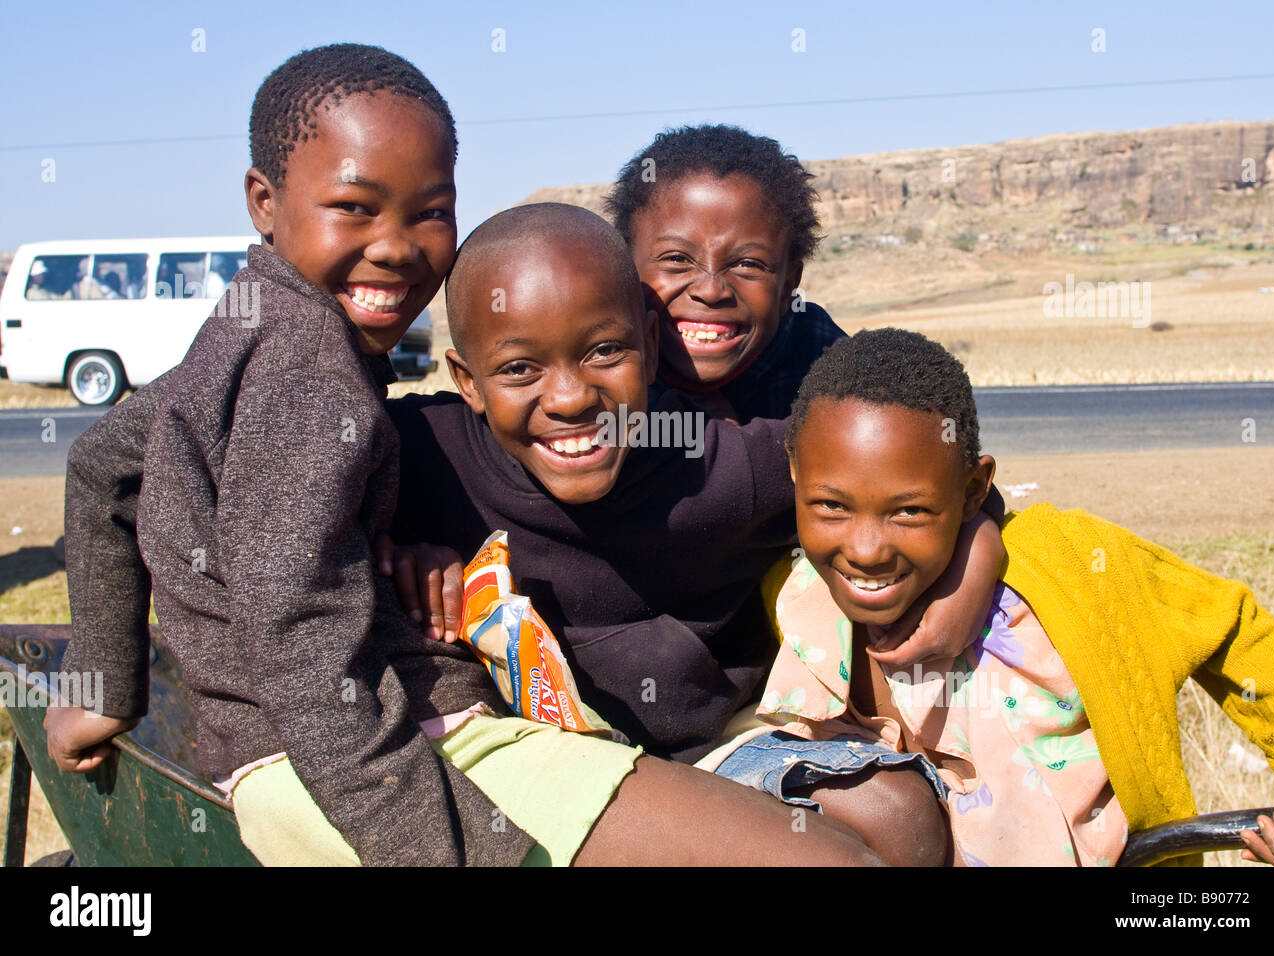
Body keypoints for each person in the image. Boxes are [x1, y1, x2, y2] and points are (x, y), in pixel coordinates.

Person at [44, 45, 899, 868]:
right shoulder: (313, 373)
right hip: (381, 753)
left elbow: (101, 466)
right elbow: (299, 638)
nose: (394, 245)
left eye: (428, 212)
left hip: (361, 731)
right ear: (264, 203)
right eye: (354, 208)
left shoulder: (245, 326)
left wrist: (102, 684)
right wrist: (439, 846)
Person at [385, 202, 1012, 863]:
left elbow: (930, 481)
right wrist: (401, 551)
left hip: (715, 753)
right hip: (550, 775)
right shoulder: (423, 457)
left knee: (897, 810)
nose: (570, 397)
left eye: (604, 351)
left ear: (652, 346)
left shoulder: (718, 466)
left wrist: (975, 570)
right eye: (519, 369)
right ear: (467, 381)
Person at [722, 327, 1274, 866]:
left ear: (974, 490)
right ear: (795, 475)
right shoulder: (798, 596)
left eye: (910, 511)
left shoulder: (1076, 570)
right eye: (832, 506)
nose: (868, 549)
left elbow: (1232, 627)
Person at [605, 124, 845, 423]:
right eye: (677, 258)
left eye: (747, 264)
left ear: (788, 287)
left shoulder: (825, 366)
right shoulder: (597, 363)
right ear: (625, 268)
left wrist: (739, 447)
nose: (710, 291)